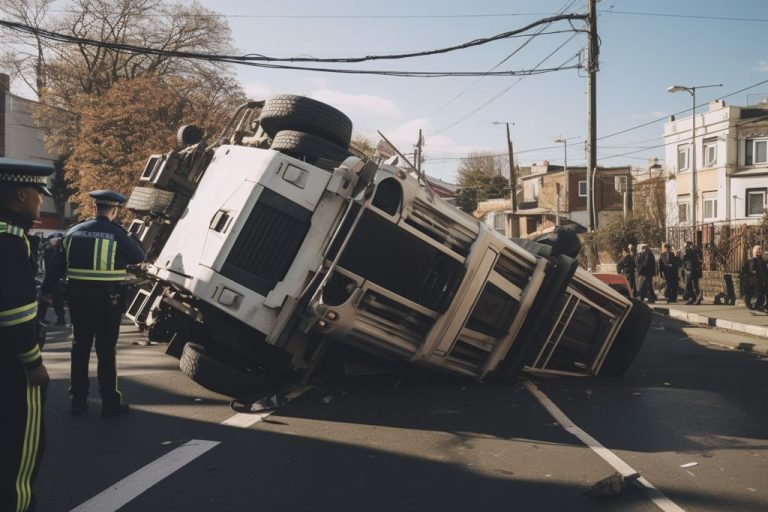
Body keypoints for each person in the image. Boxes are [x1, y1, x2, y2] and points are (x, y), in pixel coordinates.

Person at [42, 190, 146, 417]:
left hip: (77, 299)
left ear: (94, 207)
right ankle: (110, 402)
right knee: (106, 351)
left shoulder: (73, 231)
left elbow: (56, 266)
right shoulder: (117, 233)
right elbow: (139, 256)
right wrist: (135, 236)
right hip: (108, 301)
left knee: (79, 349)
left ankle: (78, 401)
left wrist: (46, 291)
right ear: (114, 210)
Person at [0, 157, 54, 512]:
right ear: (21, 194)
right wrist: (33, 363)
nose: (40, 201)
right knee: (21, 452)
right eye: (37, 193)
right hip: (11, 362)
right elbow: (15, 313)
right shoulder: (10, 239)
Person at [37, 235, 67, 326]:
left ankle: (40, 318)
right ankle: (60, 319)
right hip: (53, 277)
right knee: (55, 297)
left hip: (51, 277)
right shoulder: (57, 249)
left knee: (46, 296)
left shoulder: (50, 248)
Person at [745, 245, 768, 311]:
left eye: (760, 249)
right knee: (760, 295)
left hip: (764, 280)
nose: (760, 251)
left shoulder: (762, 260)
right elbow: (752, 269)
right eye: (758, 249)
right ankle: (756, 307)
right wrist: (754, 273)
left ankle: (761, 307)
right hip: (758, 281)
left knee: (763, 295)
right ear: (754, 251)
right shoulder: (754, 259)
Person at [682, 240, 702, 305]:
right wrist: (684, 268)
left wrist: (696, 268)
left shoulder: (693, 252)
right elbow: (683, 261)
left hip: (693, 271)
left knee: (695, 286)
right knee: (688, 286)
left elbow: (698, 262)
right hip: (687, 271)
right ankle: (693, 299)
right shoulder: (685, 253)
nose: (685, 247)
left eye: (687, 245)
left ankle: (698, 299)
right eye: (686, 245)